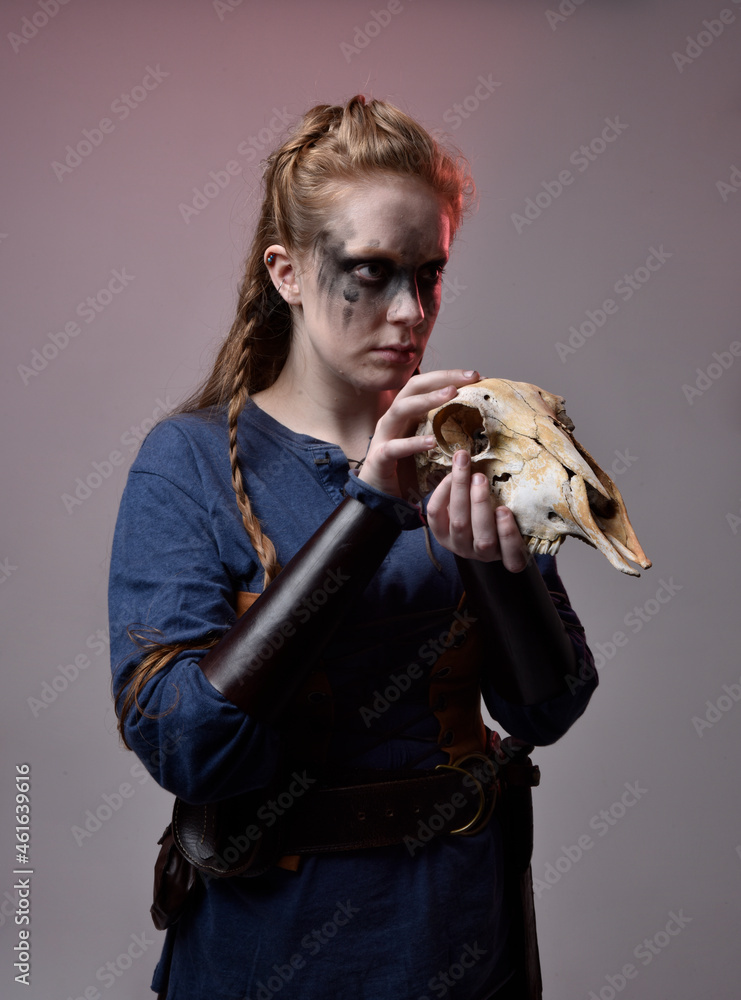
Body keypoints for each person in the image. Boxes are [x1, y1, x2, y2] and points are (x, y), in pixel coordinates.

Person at [108, 95, 598, 1000]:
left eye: (429, 273)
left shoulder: (474, 443)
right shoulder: (184, 464)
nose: (410, 310)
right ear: (287, 272)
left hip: (461, 941)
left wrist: (496, 570)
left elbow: (548, 711)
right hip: (268, 952)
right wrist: (369, 508)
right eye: (370, 272)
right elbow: (189, 750)